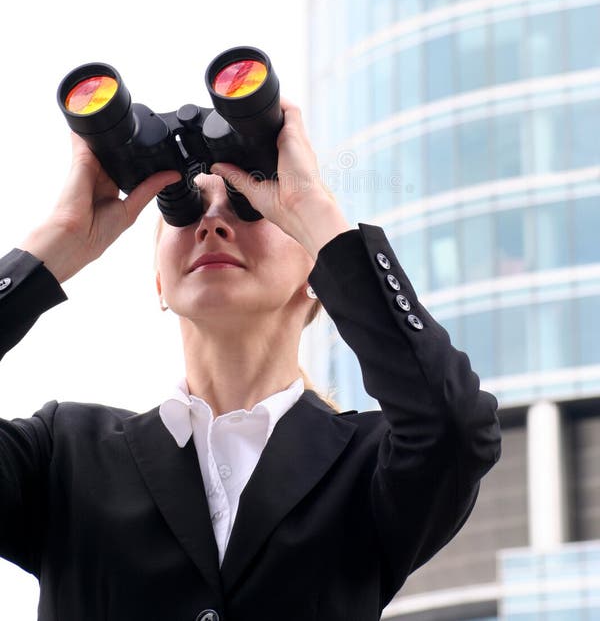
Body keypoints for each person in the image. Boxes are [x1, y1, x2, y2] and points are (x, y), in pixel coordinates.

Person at [0, 96, 501, 621]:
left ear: (316, 272)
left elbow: (456, 428)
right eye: (185, 207)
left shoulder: (367, 467)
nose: (211, 224)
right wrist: (51, 247)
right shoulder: (64, 455)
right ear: (159, 284)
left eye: (249, 206)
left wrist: (319, 215)